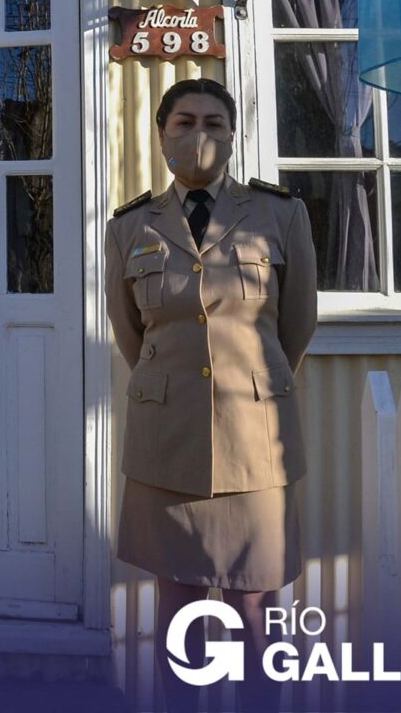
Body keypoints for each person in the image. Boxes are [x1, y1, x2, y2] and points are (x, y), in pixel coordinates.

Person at [104, 79, 317, 713]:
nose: (200, 134)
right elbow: (130, 331)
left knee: (256, 604)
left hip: (256, 439)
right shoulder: (129, 226)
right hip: (167, 440)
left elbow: (296, 325)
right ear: (163, 133)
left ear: (231, 134)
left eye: (215, 123)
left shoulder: (280, 213)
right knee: (180, 607)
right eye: (185, 122)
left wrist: (250, 382)